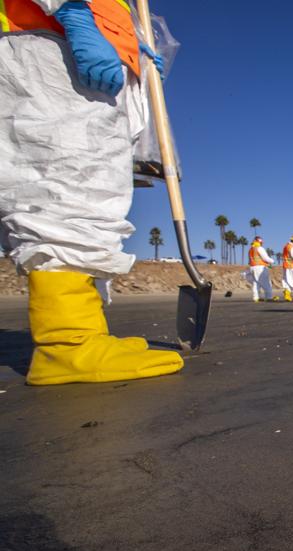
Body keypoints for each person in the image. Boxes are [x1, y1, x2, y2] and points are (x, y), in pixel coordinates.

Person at [0, 0, 182, 385]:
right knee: (63, 189)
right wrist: (72, 11)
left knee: (92, 193)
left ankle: (87, 332)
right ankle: (67, 344)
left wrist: (135, 51)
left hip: (78, 53)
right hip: (45, 46)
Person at [247, 236, 275, 302]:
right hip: (259, 267)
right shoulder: (260, 248)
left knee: (256, 283)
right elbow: (265, 258)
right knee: (266, 282)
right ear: (260, 242)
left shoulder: (251, 249)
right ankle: (269, 297)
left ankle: (256, 297)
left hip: (252, 267)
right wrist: (272, 261)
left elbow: (249, 261)